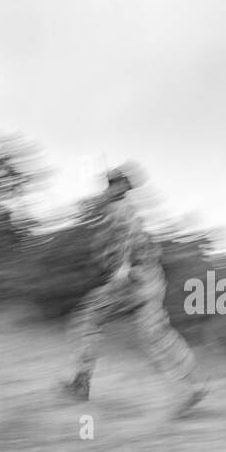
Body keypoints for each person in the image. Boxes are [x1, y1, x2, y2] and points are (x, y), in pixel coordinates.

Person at [60, 163, 207, 416]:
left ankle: (81, 382)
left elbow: (129, 234)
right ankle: (192, 387)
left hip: (133, 278)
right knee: (155, 334)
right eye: (109, 183)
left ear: (124, 187)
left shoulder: (120, 208)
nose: (110, 188)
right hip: (151, 278)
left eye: (115, 183)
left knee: (89, 318)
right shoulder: (118, 209)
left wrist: (124, 267)